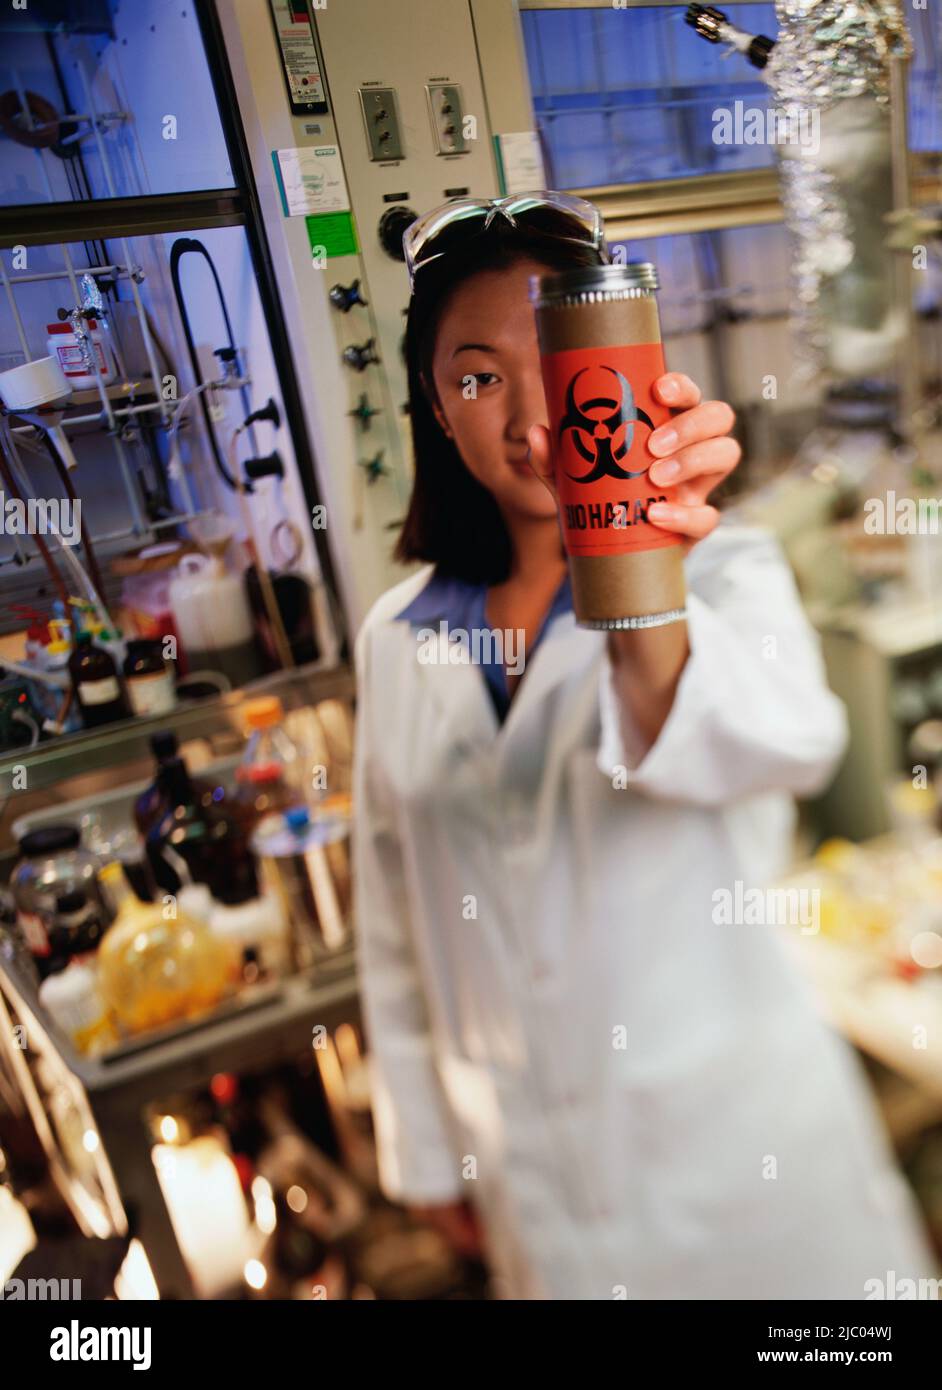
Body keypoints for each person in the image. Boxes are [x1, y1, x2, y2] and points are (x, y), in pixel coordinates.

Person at [352, 193, 935, 1299]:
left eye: (555, 366)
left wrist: (643, 576)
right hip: (532, 1168)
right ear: (433, 402)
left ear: (614, 370)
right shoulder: (398, 639)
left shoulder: (721, 573)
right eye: (477, 377)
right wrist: (429, 1151)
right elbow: (396, 920)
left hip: (739, 1167)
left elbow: (787, 747)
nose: (529, 420)